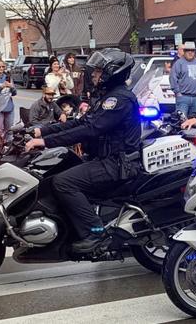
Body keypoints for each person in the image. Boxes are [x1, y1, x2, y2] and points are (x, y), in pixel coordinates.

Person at [25, 49, 141, 254]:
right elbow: (79, 123)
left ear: (111, 73)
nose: (94, 75)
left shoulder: (119, 100)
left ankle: (95, 233)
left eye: (98, 71)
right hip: (104, 159)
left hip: (116, 164)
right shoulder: (107, 97)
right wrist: (38, 130)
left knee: (63, 182)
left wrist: (44, 142)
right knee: (57, 170)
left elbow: (89, 130)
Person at [169, 42, 196, 118]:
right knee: (181, 121)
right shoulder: (179, 63)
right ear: (184, 52)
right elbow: (173, 78)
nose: (190, 52)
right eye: (188, 50)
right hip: (183, 97)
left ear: (194, 52)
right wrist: (177, 92)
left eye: (192, 50)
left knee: (194, 122)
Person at [0, 59, 17, 132]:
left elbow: (14, 93)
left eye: (3, 67)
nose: (1, 68)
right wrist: (0, 88)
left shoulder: (7, 77)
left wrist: (12, 87)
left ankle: (8, 143)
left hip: (9, 107)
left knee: (9, 130)